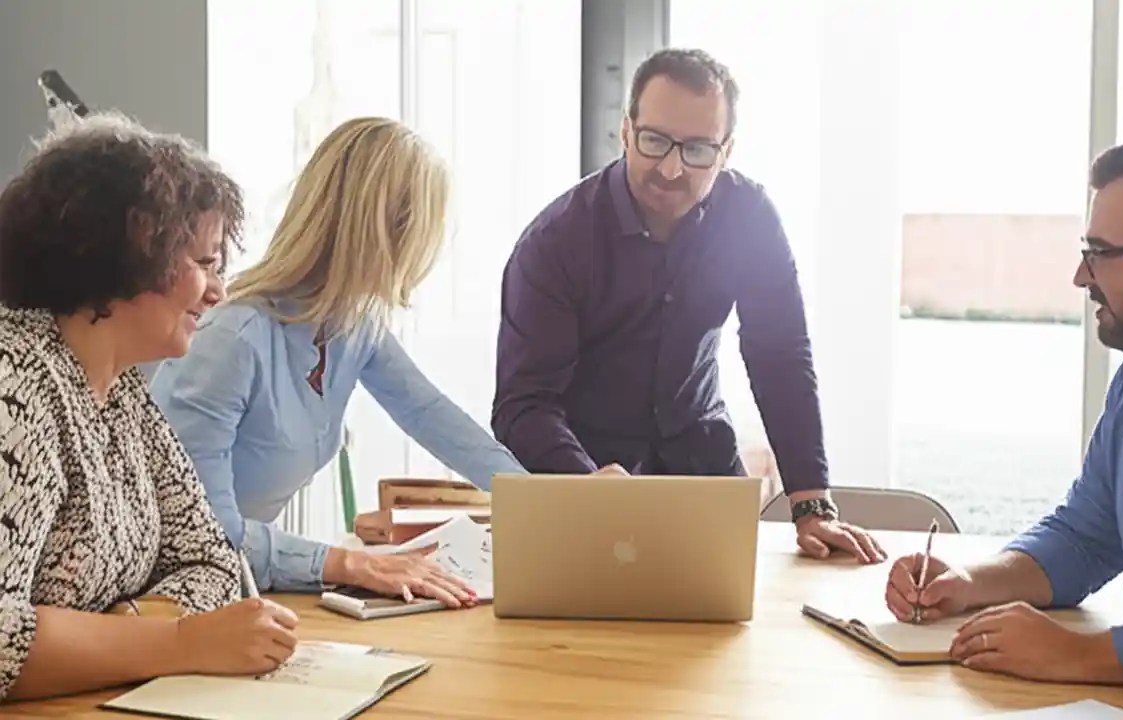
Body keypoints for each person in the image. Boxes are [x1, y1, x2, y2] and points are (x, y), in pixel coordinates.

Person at [884, 136, 1123, 719]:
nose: (1079, 276)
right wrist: (971, 583)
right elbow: (1089, 534)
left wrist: (1084, 655)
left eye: (1099, 252)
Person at [149, 117, 614, 602]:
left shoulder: (353, 325)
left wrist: (539, 500)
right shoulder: (232, 341)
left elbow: (430, 414)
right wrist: (349, 563)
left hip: (243, 591)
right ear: (388, 233)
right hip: (175, 596)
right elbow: (206, 534)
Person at [491, 48, 884, 563]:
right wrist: (583, 479)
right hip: (586, 477)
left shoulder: (750, 216)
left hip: (705, 468)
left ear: (727, 152)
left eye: (698, 149)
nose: (672, 169)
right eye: (655, 142)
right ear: (626, 131)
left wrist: (811, 504)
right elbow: (523, 404)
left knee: (731, 631)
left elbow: (780, 355)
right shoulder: (555, 242)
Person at [0, 114, 297, 702]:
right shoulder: (16, 383)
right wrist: (181, 644)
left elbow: (216, 564)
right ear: (135, 251)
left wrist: (122, 628)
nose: (219, 292)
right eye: (205, 264)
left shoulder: (123, 390)